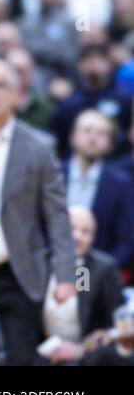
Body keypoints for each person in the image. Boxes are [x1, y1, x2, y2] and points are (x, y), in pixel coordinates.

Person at [0, 57, 76, 366]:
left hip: (20, 272)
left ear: (17, 95)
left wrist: (66, 274)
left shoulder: (39, 146)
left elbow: (57, 215)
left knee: (22, 359)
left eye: (0, 85)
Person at [36, 206, 125, 364]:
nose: (77, 236)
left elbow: (116, 323)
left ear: (93, 238)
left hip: (86, 355)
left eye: (85, 231)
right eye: (72, 227)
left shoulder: (102, 269)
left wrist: (82, 348)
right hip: (42, 351)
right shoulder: (40, 262)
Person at [61, 109, 134, 273]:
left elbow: (126, 241)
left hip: (95, 274)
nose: (93, 138)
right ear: (72, 136)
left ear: (110, 143)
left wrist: (102, 272)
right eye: (87, 130)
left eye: (101, 133)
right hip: (49, 269)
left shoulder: (121, 184)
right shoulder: (53, 175)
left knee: (82, 294)